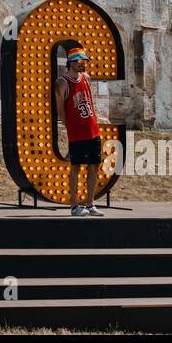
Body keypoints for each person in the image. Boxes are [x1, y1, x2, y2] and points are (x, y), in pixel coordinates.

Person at [56, 45, 103, 217]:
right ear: (71, 62)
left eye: (85, 60)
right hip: (77, 133)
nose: (84, 63)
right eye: (80, 61)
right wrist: (69, 128)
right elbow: (61, 111)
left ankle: (90, 203)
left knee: (94, 166)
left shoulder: (86, 78)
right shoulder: (62, 83)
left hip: (93, 130)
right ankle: (74, 205)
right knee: (75, 167)